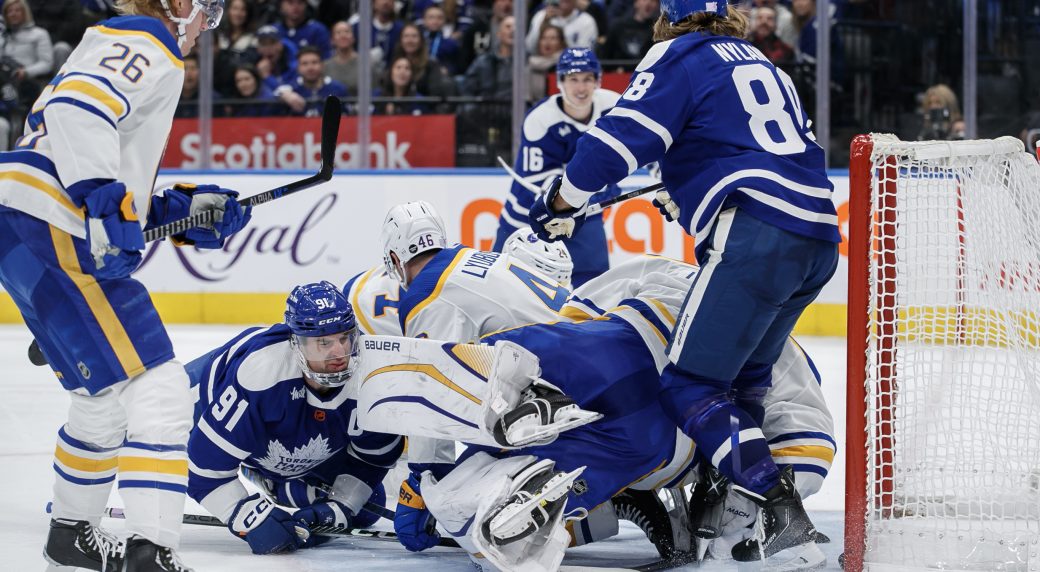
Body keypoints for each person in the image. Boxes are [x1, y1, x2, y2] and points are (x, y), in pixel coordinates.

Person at [527, 2, 840, 566]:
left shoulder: (680, 53)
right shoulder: (768, 64)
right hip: (817, 236)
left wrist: (562, 198)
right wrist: (691, 192)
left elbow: (618, 141)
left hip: (757, 233)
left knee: (688, 387)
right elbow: (757, 147)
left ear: (670, 20)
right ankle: (730, 506)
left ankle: (782, 515)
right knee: (746, 381)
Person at [0, 2, 248, 571]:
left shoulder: (112, 37)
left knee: (101, 398)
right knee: (158, 390)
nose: (203, 29)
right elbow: (76, 108)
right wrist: (103, 197)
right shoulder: (149, 36)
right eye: (204, 13)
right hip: (50, 222)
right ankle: (151, 550)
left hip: (24, 221)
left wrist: (181, 212)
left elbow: (87, 141)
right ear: (178, 2)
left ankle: (71, 532)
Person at [185, 281, 403, 555]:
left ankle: (274, 480)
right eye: (323, 342)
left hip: (279, 428)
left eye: (344, 337)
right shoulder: (261, 373)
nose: (338, 353)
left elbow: (371, 460)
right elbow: (204, 470)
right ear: (295, 344)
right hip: (199, 402)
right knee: (141, 437)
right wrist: (243, 515)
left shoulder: (373, 377)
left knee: (368, 501)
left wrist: (338, 508)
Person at [492, 47, 620, 287]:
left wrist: (666, 176)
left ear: (598, 81)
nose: (581, 88)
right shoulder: (540, 120)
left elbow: (643, 146)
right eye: (573, 79)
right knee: (502, 283)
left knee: (594, 286)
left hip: (583, 213)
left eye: (587, 79)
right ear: (560, 82)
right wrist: (598, 187)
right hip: (529, 215)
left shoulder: (613, 107)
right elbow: (538, 185)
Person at [275, 45, 348, 116]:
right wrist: (284, 95)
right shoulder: (291, 88)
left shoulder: (338, 89)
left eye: (314, 62)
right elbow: (275, 93)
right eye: (305, 64)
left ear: (322, 65)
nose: (310, 68)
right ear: (298, 68)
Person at [525, 0, 598, 53]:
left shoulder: (587, 21)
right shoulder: (541, 16)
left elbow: (583, 54)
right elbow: (530, 48)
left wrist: (562, 26)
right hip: (540, 67)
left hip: (571, 70)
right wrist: (543, 23)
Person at [527, 24, 565, 100]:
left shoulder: (566, 66)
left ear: (561, 43)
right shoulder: (531, 65)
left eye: (553, 38)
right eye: (544, 38)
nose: (547, 42)